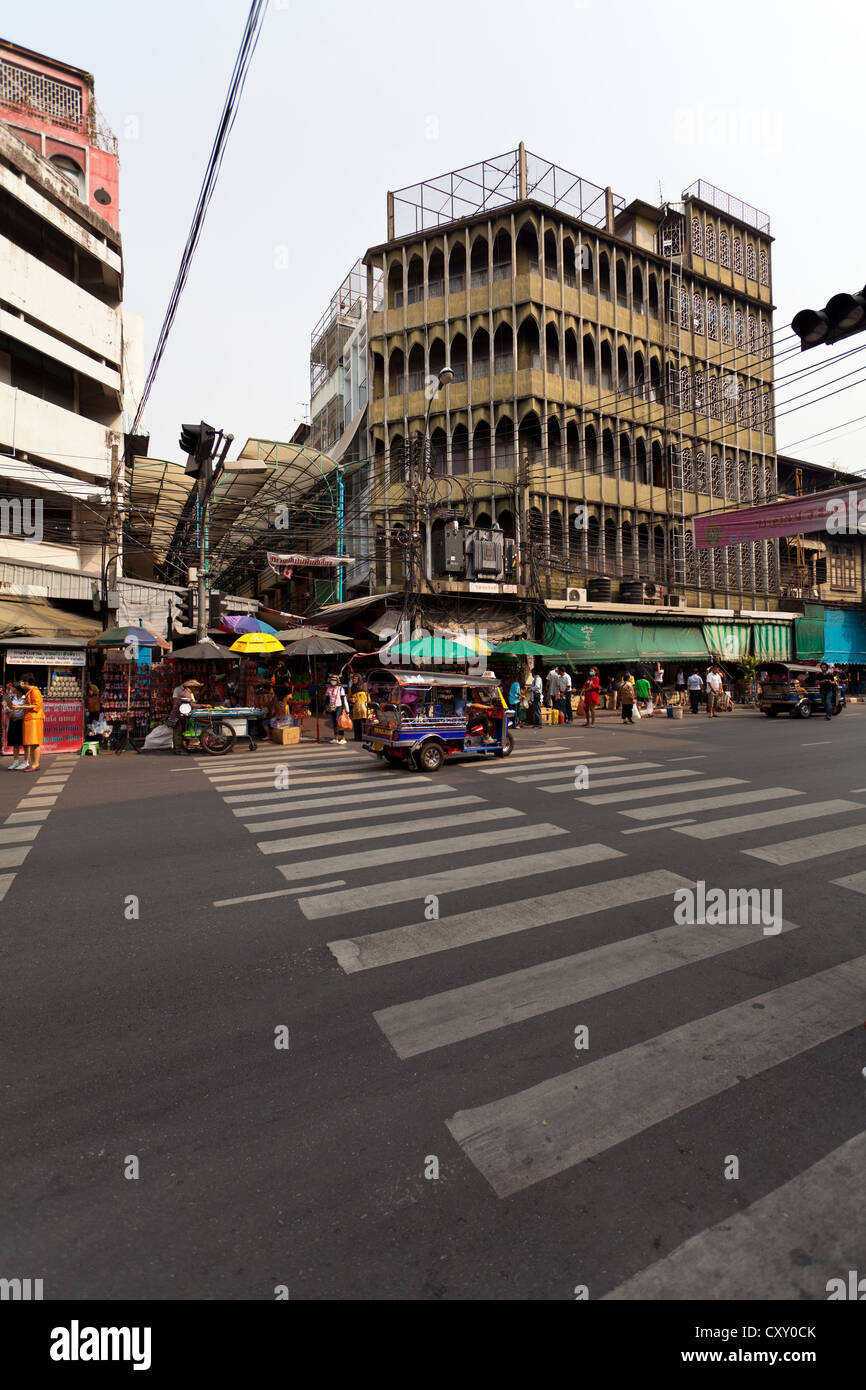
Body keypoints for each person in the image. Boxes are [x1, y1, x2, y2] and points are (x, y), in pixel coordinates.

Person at [18, 673, 44, 771]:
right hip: (30, 718)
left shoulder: (35, 691)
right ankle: (33, 763)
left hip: (34, 719)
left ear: (26, 682)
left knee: (35, 742)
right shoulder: (30, 691)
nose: (21, 683)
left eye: (22, 682)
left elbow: (36, 706)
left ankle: (35, 764)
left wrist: (19, 707)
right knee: (32, 743)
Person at [4, 682, 27, 768]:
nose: (11, 689)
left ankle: (26, 761)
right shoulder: (11, 697)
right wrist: (7, 710)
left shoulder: (26, 698)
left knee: (25, 743)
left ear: (17, 689)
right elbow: (6, 709)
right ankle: (16, 762)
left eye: (13, 688)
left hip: (22, 722)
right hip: (13, 721)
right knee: (15, 743)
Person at [326, 673, 350, 744]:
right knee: (334, 722)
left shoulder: (340, 689)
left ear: (337, 681)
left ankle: (343, 738)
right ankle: (336, 738)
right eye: (331, 680)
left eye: (334, 680)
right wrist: (325, 708)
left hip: (339, 707)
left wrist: (343, 709)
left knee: (339, 722)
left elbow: (343, 700)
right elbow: (327, 699)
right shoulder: (329, 689)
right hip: (331, 707)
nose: (332, 682)